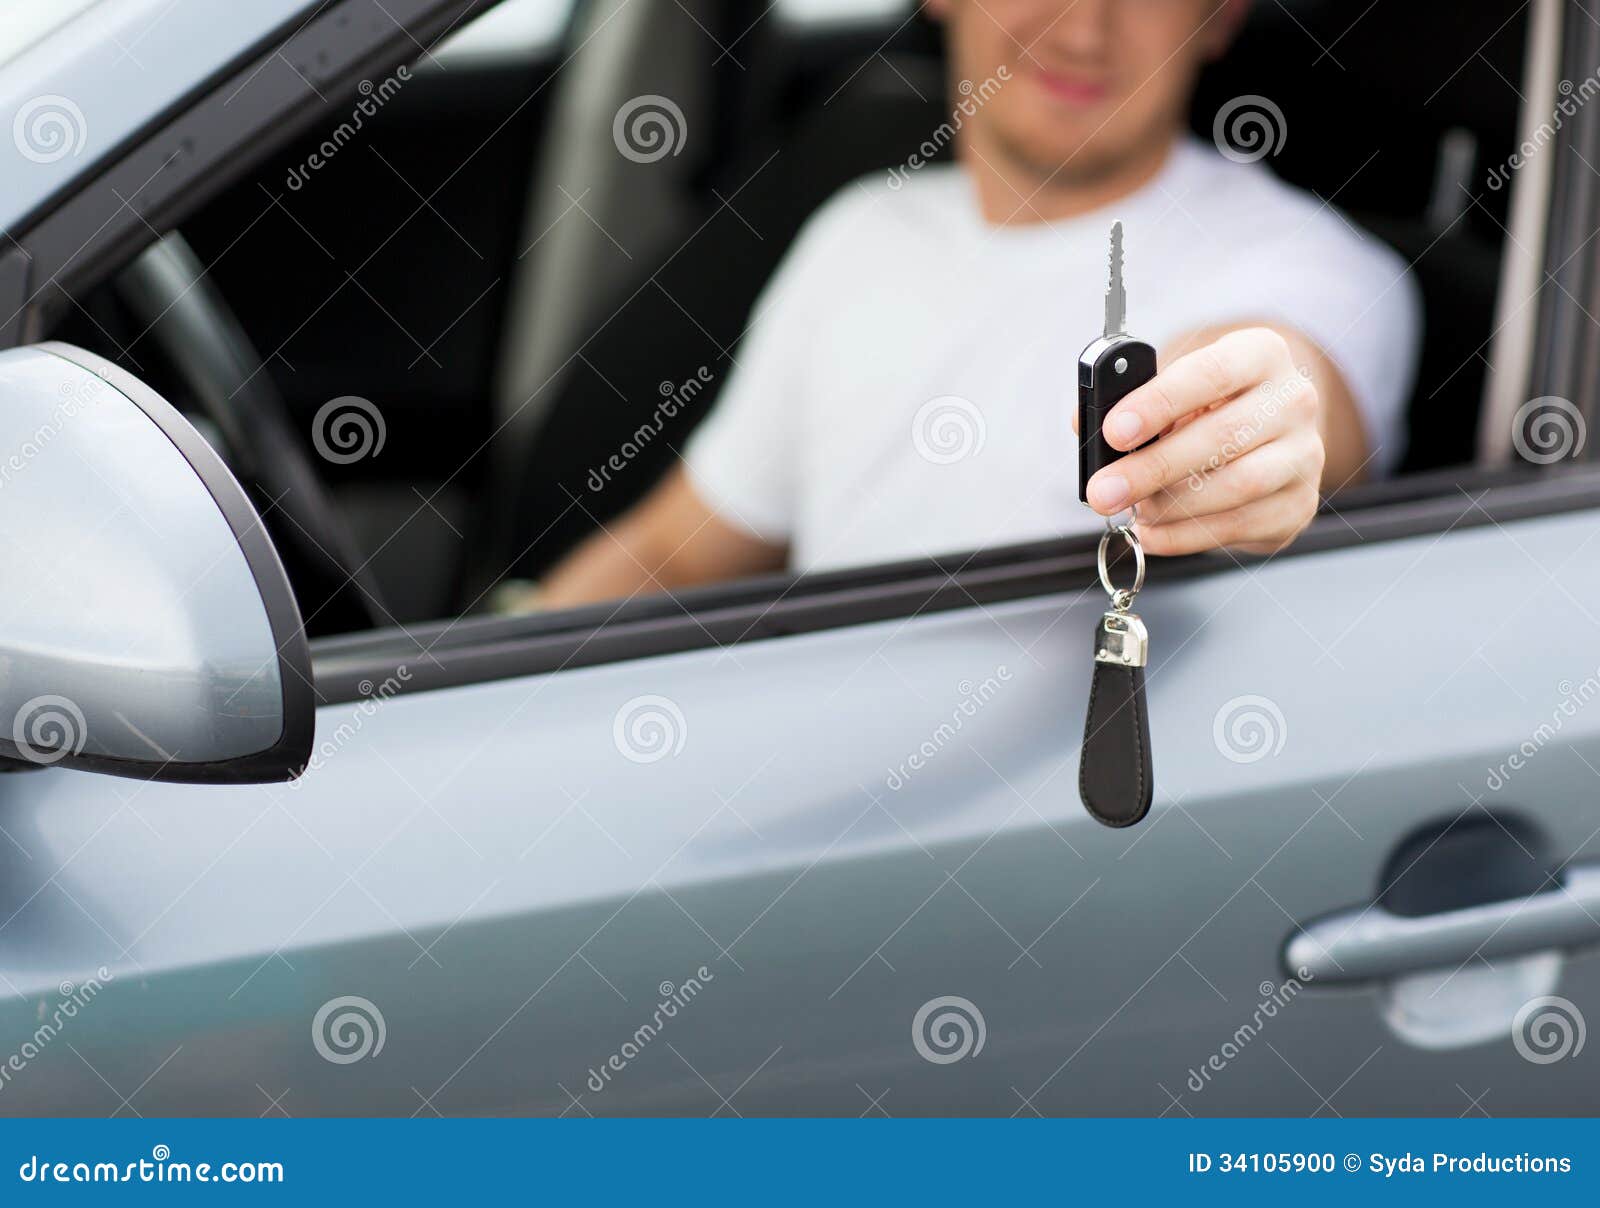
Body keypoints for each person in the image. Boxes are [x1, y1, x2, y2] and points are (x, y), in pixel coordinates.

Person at [530, 0, 1419, 610]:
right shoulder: (861, 231)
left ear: (1216, 15)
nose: (1081, 28)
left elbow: (1283, 387)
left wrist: (1242, 433)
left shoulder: (1318, 269)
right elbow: (675, 551)